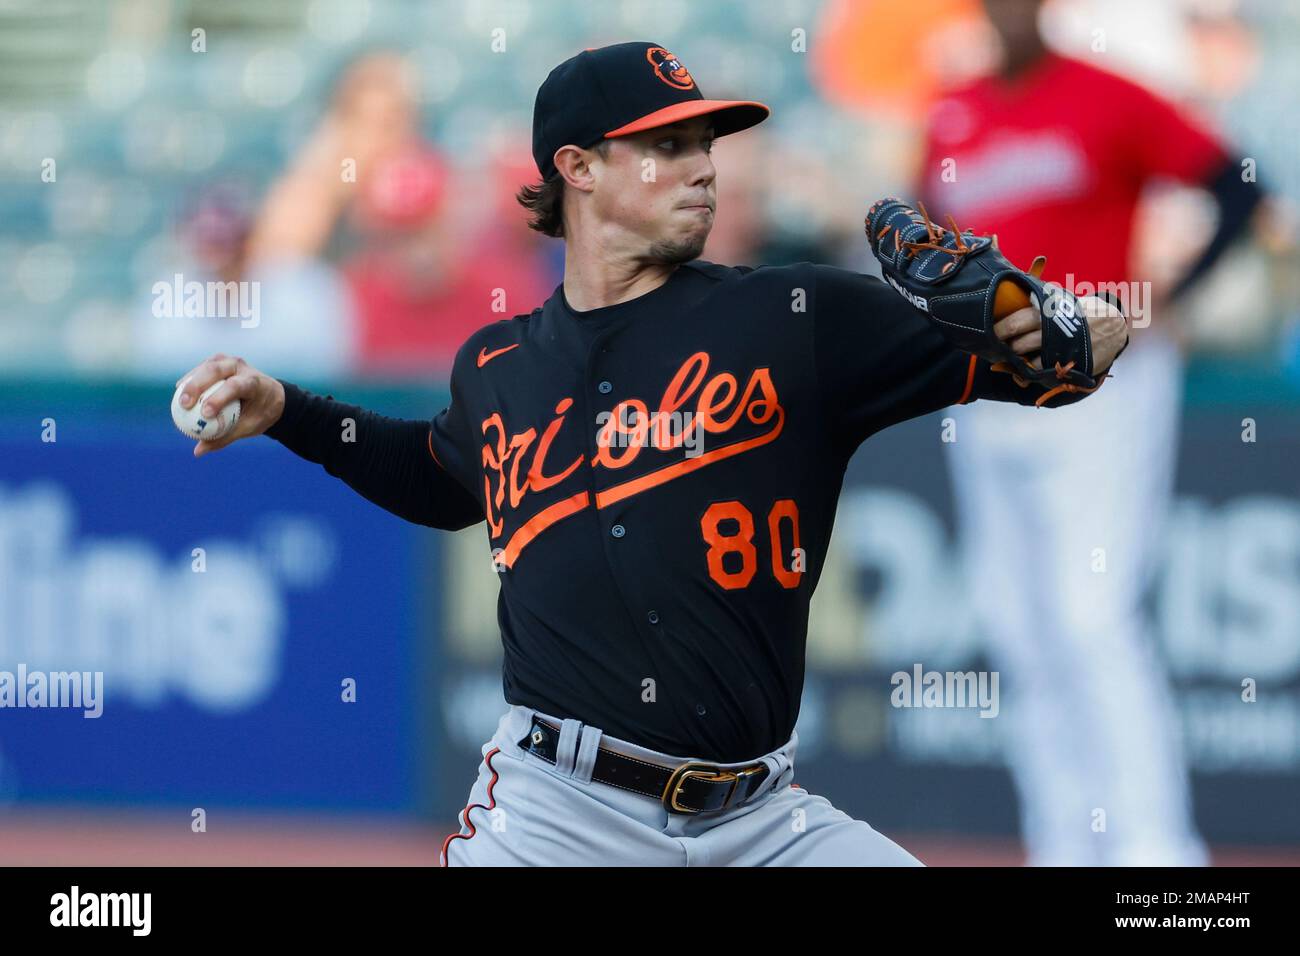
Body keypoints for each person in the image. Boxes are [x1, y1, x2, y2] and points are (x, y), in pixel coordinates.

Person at [173, 41, 1126, 867]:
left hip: (761, 819)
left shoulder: (794, 316)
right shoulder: (499, 364)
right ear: (577, 168)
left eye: (705, 145)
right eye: (667, 146)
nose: (704, 167)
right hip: (557, 813)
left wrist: (1018, 311)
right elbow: (440, 473)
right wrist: (289, 411)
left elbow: (1074, 356)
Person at [917, 0, 1263, 866]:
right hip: (992, 392)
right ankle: (1065, 842)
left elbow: (1240, 185)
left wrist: (1171, 300)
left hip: (1099, 378)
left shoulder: (1108, 94)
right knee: (1014, 623)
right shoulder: (953, 114)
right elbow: (933, 249)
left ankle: (1156, 853)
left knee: (1091, 616)